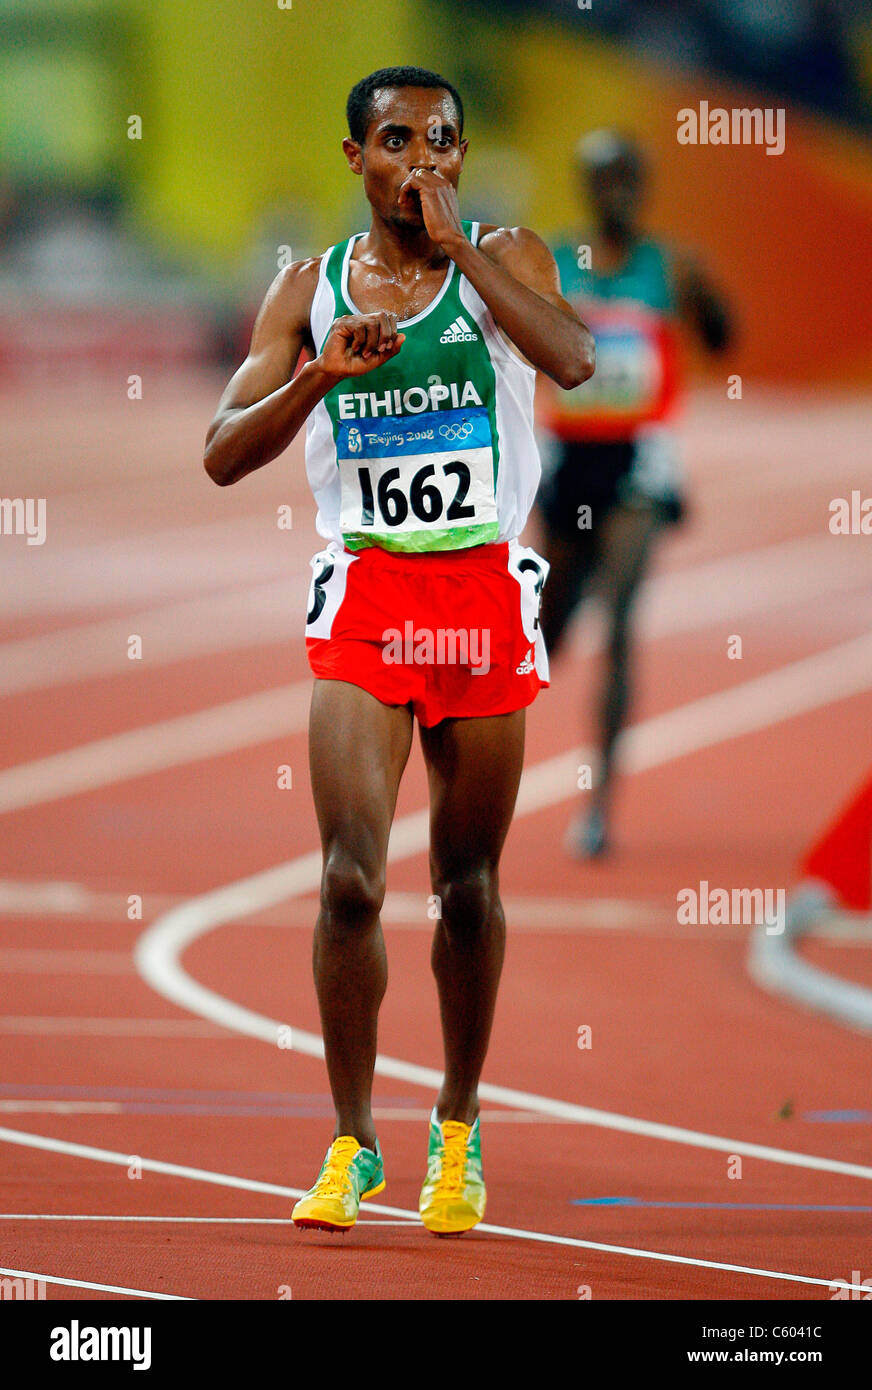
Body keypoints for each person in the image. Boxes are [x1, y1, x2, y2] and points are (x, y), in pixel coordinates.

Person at [203, 66, 594, 1235]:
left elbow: (570, 360)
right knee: (348, 880)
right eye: (393, 141)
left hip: (477, 594)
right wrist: (324, 373)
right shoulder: (308, 289)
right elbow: (221, 452)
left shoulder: (510, 253)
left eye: (440, 140)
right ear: (353, 158)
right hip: (370, 590)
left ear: (462, 158)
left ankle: (458, 1127)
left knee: (465, 889)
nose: (419, 158)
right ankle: (349, 1141)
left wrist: (459, 254)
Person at [536, 129, 732, 858]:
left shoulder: (670, 264)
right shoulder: (550, 259)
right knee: (543, 635)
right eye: (600, 178)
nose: (612, 191)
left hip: (639, 462)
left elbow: (722, 341)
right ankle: (480, 778)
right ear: (584, 187)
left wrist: (708, 300)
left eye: (625, 177)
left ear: (642, 187)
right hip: (569, 458)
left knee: (618, 623)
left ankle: (597, 809)